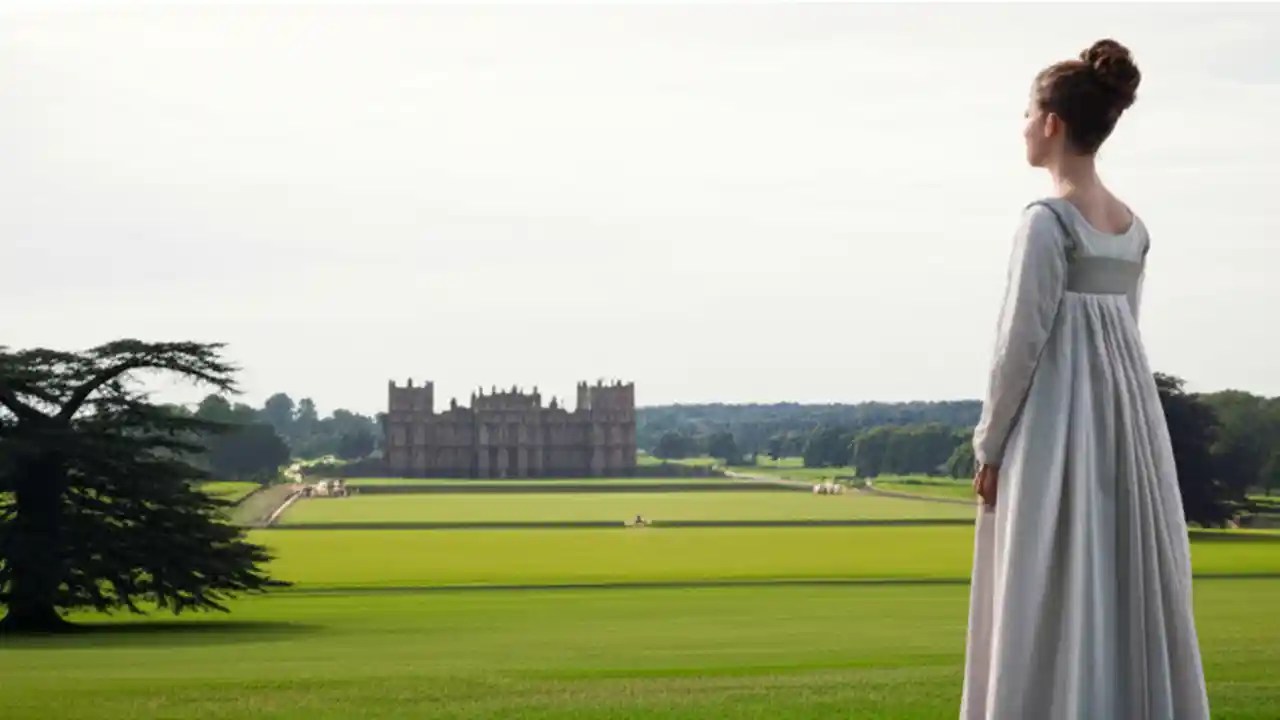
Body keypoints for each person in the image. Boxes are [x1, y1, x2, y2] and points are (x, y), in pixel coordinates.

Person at [962, 40, 1210, 719]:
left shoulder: (1045, 224)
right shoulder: (1132, 229)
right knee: (1118, 571)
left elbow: (1019, 343)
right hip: (1129, 428)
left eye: (1025, 110)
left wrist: (989, 446)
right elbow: (1127, 331)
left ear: (1051, 123)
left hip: (1052, 426)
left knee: (1044, 577)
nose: (1021, 123)